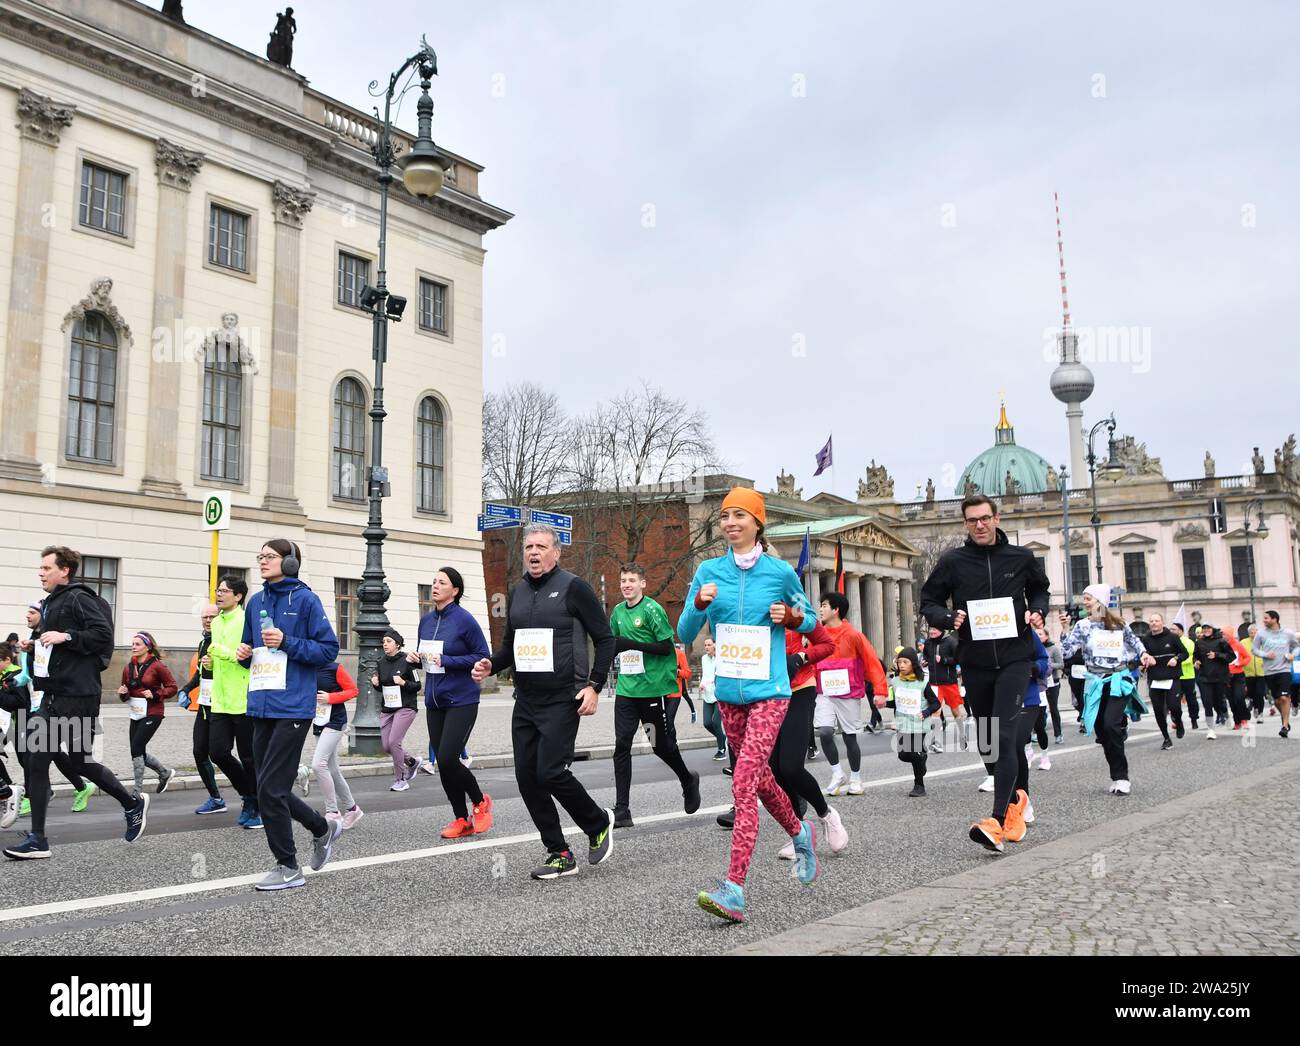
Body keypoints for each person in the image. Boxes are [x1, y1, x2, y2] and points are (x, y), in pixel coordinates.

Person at [678, 487, 819, 923]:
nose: (731, 523)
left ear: (758, 523)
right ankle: (800, 832)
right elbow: (684, 631)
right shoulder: (707, 571)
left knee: (741, 785)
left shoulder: (779, 573)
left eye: (740, 515)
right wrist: (699, 606)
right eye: (725, 516)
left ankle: (734, 888)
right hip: (729, 696)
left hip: (771, 694)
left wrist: (793, 619)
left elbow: (812, 622)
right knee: (757, 780)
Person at [471, 524, 616, 881]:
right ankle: (559, 853)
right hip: (527, 700)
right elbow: (510, 647)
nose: (533, 553)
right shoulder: (518, 593)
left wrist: (594, 686)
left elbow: (606, 639)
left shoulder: (574, 588)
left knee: (550, 771)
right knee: (527, 778)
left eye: (541, 547)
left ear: (556, 552)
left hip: (563, 698)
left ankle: (597, 822)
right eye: (529, 547)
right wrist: (492, 663)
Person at [919, 495, 1050, 853]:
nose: (979, 524)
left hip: (1014, 659)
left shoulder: (1020, 558)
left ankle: (996, 821)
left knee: (1006, 737)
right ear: (965, 524)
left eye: (984, 518)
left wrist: (1037, 610)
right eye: (972, 520)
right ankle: (1018, 799)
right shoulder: (953, 562)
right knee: (988, 741)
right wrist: (947, 619)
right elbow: (928, 600)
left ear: (996, 518)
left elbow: (1040, 588)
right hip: (975, 662)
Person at [4, 546, 148, 860]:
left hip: (76, 696)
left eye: (46, 568)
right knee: (78, 762)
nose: (40, 573)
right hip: (57, 693)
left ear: (64, 570)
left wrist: (65, 637)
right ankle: (131, 803)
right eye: (40, 568)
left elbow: (101, 635)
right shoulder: (53, 602)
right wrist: (34, 645)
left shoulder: (79, 597)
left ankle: (39, 839)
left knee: (38, 758)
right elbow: (56, 650)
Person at [236, 539, 344, 890]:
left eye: (270, 556)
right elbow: (253, 650)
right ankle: (320, 827)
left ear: (291, 562)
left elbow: (328, 649)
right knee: (271, 787)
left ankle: (288, 866)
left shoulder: (306, 600)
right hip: (261, 704)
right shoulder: (255, 602)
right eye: (261, 556)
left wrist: (287, 642)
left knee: (269, 789)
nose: (263, 561)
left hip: (294, 706)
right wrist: (244, 654)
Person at [607, 564, 701, 829]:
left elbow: (664, 647)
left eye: (631, 581)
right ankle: (622, 809)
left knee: (660, 745)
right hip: (626, 690)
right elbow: (614, 642)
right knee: (621, 745)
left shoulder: (652, 610)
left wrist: (632, 645)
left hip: (653, 690)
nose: (626, 585)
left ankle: (687, 779)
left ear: (642, 584)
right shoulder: (616, 612)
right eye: (623, 580)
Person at [407, 566, 493, 839]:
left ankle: (480, 801)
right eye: (433, 582)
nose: (435, 586)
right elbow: (428, 658)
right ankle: (461, 818)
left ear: (454, 590)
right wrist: (415, 658)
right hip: (434, 699)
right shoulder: (426, 621)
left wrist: (449, 661)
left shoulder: (464, 620)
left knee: (447, 757)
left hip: (462, 698)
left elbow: (482, 656)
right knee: (444, 764)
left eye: (441, 583)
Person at [1059, 585, 1153, 797]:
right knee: (1102, 731)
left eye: (1088, 598)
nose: (1084, 602)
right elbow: (1066, 652)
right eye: (1084, 598)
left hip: (1118, 680)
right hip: (1095, 682)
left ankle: (1122, 777)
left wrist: (1144, 654)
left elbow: (1135, 641)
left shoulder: (1119, 624)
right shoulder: (1082, 626)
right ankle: (1116, 770)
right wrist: (1065, 630)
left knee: (1110, 725)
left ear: (1100, 601)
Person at [775, 612, 849, 857]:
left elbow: (828, 644)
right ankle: (798, 832)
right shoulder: (748, 604)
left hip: (799, 688)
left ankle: (826, 814)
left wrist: (801, 656)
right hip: (766, 692)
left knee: (790, 766)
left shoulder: (796, 605)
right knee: (773, 768)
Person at [813, 591, 888, 797]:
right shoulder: (817, 634)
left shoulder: (854, 635)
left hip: (848, 693)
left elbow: (873, 662)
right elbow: (811, 660)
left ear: (836, 610)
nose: (821, 608)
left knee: (849, 738)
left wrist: (881, 691)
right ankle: (837, 773)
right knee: (825, 732)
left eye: (825, 605)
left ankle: (856, 778)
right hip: (824, 692)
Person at [208, 575, 260, 828]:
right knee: (217, 752)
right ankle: (248, 793)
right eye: (218, 590)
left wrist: (222, 654)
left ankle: (256, 804)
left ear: (238, 596)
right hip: (220, 699)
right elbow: (215, 653)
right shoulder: (216, 622)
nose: (219, 594)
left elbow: (249, 657)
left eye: (224, 591)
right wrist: (209, 661)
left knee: (249, 757)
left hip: (243, 698)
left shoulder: (245, 620)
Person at [179, 605, 225, 813]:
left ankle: (250, 795)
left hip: (225, 705)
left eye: (211, 617)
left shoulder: (224, 641)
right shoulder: (203, 642)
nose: (207, 620)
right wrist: (186, 689)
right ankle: (215, 799)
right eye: (204, 617)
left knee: (222, 755)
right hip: (205, 705)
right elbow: (199, 674)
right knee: (199, 751)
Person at [879, 648, 941, 797]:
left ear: (913, 664)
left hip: (919, 724)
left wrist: (925, 713)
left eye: (905, 662)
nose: (901, 665)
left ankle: (919, 786)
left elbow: (936, 703)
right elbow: (896, 703)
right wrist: (885, 704)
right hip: (902, 723)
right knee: (903, 755)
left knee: (913, 752)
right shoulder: (895, 681)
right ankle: (922, 758)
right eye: (899, 662)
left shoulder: (923, 682)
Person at [311, 659, 362, 829]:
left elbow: (353, 690)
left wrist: (330, 697)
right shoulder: (305, 666)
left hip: (335, 721)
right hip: (318, 721)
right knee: (332, 770)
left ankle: (332, 812)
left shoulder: (334, 667)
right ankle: (352, 809)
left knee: (318, 765)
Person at [372, 628, 423, 791]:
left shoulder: (408, 660)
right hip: (388, 708)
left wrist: (403, 683)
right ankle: (412, 762)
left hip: (406, 707)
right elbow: (382, 689)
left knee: (394, 742)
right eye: (383, 642)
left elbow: (418, 685)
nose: (385, 644)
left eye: (388, 641)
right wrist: (376, 684)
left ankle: (401, 780)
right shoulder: (381, 663)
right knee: (387, 746)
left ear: (397, 644)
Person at [1140, 613, 1189, 750]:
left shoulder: (1172, 637)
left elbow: (1184, 653)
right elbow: (1141, 657)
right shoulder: (1146, 639)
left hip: (1172, 677)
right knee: (1158, 710)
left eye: (1156, 620)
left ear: (1162, 622)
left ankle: (1178, 722)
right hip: (1155, 679)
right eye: (1151, 621)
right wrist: (1145, 662)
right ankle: (1166, 738)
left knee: (1174, 707)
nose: (1154, 623)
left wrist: (1176, 659)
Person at [1252, 611, 1299, 738]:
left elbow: (1296, 646)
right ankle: (1285, 718)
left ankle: (1284, 726)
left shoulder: (1288, 633)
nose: (1264, 620)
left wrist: (1292, 655)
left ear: (1275, 619)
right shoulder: (1261, 634)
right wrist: (1265, 655)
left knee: (1285, 698)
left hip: (1284, 670)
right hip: (1269, 671)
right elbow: (1254, 649)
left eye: (1266, 618)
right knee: (1277, 700)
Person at [922, 625, 968, 751]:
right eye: (930, 629)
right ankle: (937, 743)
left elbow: (958, 659)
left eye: (934, 629)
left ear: (941, 630)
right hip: (934, 683)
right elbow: (926, 655)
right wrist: (925, 661)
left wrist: (944, 660)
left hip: (949, 683)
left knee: (955, 711)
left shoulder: (951, 642)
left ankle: (962, 736)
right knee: (936, 711)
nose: (931, 631)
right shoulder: (928, 643)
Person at [1193, 625, 1233, 740]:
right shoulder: (1199, 642)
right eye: (1204, 629)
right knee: (1207, 703)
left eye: (1208, 629)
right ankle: (1211, 729)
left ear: (1212, 630)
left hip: (1219, 677)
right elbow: (1195, 656)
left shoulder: (1221, 641)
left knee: (1218, 702)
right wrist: (1196, 662)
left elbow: (1231, 656)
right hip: (1204, 677)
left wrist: (1217, 655)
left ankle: (1225, 714)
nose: (1206, 631)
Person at [1026, 627, 1055, 771]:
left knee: (1039, 727)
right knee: (1024, 728)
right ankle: (1028, 752)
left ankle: (1045, 755)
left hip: (1039, 690)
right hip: (1023, 692)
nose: (1037, 636)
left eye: (1040, 634)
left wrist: (1035, 668)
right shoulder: (1022, 648)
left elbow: (1048, 670)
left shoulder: (1042, 652)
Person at [1170, 622, 1202, 730]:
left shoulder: (1188, 642)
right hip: (1174, 676)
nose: (1172, 631)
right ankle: (1176, 721)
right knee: (1173, 700)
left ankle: (1194, 719)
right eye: (1171, 629)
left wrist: (1177, 661)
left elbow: (1190, 657)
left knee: (1191, 699)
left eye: (1174, 629)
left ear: (1181, 631)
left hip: (1187, 675)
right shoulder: (1171, 641)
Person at [698, 637, 726, 760]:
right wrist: (702, 684)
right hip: (707, 694)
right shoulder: (704, 658)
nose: (706, 647)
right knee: (707, 723)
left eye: (709, 644)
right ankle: (722, 738)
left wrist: (713, 682)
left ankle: (721, 750)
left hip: (718, 695)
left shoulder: (721, 658)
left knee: (716, 722)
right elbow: (705, 674)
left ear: (715, 645)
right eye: (705, 645)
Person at [1223, 628, 1252, 730]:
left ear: (1230, 635)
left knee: (1239, 698)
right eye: (1222, 634)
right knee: (1231, 700)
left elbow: (1248, 657)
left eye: (1225, 634)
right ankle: (1237, 721)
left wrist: (1240, 663)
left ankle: (1244, 719)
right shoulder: (1220, 645)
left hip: (1238, 675)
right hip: (1225, 676)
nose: (1224, 636)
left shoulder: (1237, 645)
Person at [1243, 624, 1266, 722]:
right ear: (1248, 633)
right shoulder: (1243, 642)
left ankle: (1260, 713)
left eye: (1255, 632)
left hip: (1262, 673)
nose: (1253, 634)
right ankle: (1254, 706)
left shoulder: (1263, 642)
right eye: (1251, 632)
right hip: (1248, 673)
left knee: (1260, 694)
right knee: (1251, 693)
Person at [670, 642, 697, 723]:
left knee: (686, 696)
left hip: (681, 682)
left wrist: (678, 672)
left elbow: (686, 672)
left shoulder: (679, 655)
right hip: (667, 690)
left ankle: (693, 711)